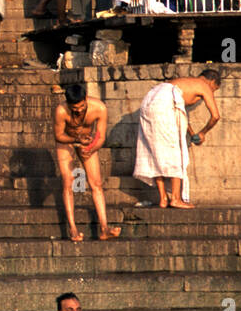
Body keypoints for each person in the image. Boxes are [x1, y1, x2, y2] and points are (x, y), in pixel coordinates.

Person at [133, 68, 222, 208]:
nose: (211, 93)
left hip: (149, 100)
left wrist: (192, 134)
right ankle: (175, 198)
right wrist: (203, 132)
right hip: (163, 105)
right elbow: (215, 116)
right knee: (175, 152)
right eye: (214, 90)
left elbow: (180, 113)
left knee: (154, 152)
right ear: (212, 81)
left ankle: (163, 198)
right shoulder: (204, 85)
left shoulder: (183, 82)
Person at [52, 83, 120, 242]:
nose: (79, 111)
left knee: (96, 183)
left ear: (86, 99)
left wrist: (90, 148)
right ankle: (73, 229)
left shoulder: (99, 108)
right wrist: (76, 139)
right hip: (66, 141)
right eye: (75, 108)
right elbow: (58, 135)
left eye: (82, 106)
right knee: (68, 181)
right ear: (68, 104)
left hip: (88, 143)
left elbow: (101, 136)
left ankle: (104, 228)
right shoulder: (61, 111)